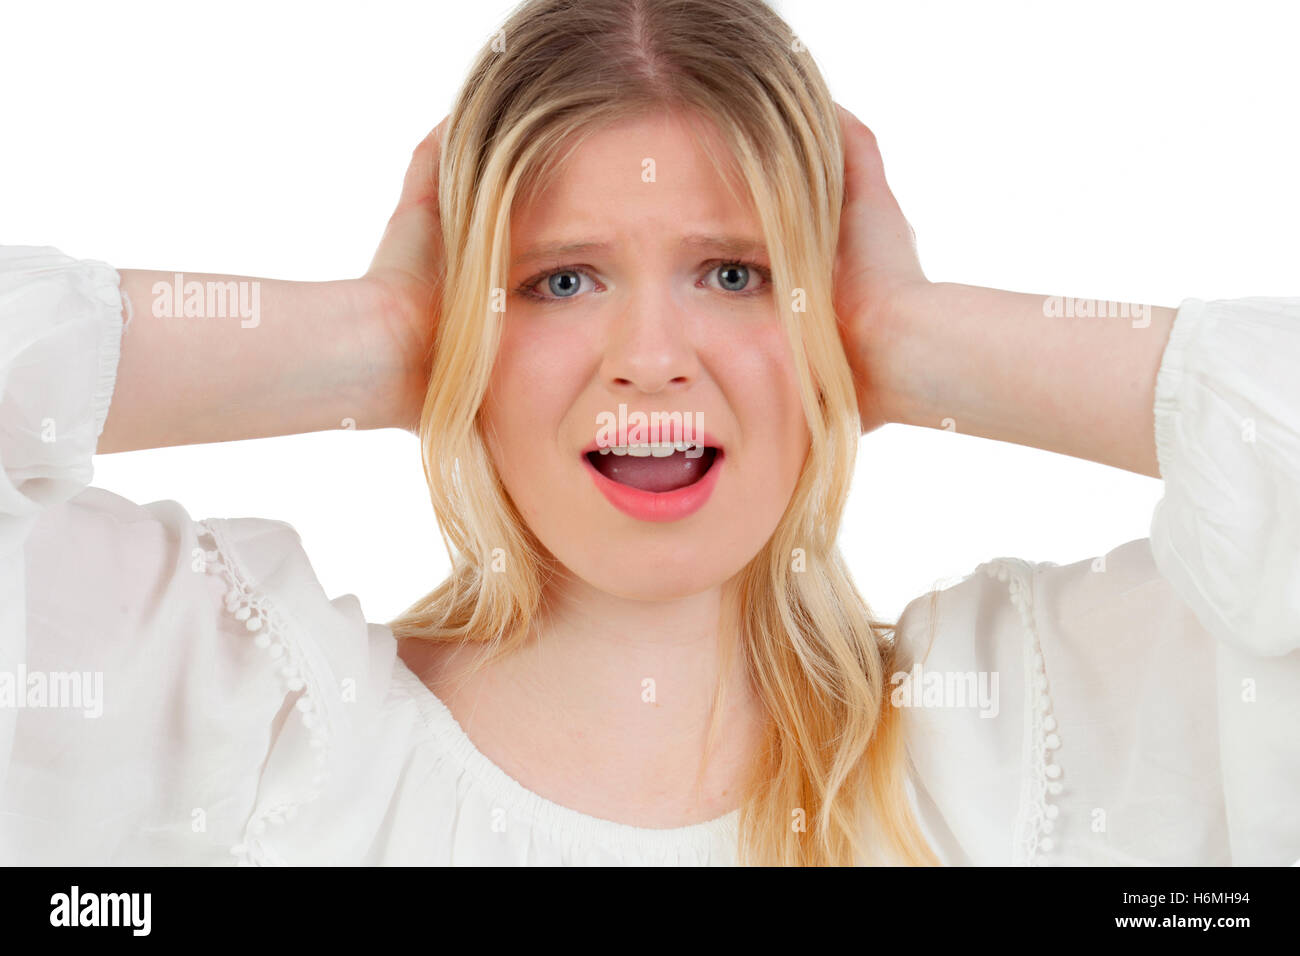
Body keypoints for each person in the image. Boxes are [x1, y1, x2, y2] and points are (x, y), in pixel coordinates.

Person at [1, 0, 1296, 866]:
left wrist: (911, 334)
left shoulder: (1032, 734)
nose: (651, 357)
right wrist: (378, 336)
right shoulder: (241, 726)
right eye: (561, 280)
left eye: (733, 273)